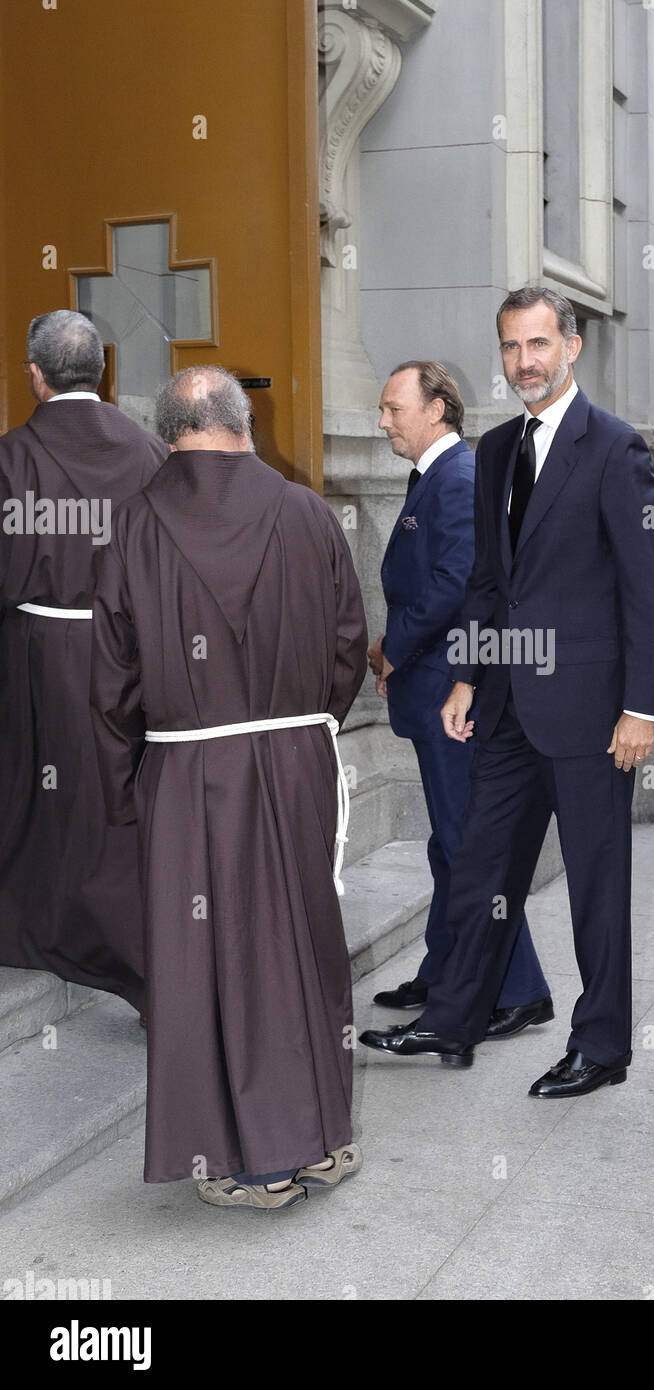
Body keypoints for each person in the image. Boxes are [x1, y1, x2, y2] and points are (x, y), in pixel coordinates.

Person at [360, 286, 654, 1097]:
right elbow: (486, 581)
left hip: (591, 716)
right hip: (504, 706)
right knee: (479, 868)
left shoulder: (615, 448)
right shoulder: (498, 449)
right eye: (510, 347)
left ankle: (602, 1044)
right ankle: (455, 1018)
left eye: (538, 345)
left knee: (596, 886)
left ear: (572, 346)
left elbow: (653, 589)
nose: (524, 363)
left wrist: (643, 707)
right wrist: (467, 674)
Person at [89, 366, 368, 1211]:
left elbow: (110, 680)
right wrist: (298, 729)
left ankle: (259, 1162)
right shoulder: (307, 512)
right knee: (302, 947)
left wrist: (127, 780)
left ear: (165, 431)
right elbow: (349, 643)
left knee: (214, 959)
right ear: (243, 426)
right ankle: (319, 1139)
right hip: (293, 760)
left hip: (188, 768)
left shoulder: (132, 525)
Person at [367, 361, 551, 1033]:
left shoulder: (458, 479)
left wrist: (394, 647)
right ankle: (446, 967)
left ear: (437, 409)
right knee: (451, 845)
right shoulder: (441, 478)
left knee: (467, 846)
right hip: (435, 689)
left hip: (454, 695)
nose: (383, 421)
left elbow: (453, 588)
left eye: (393, 408)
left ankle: (517, 989)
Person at [0, 309, 167, 1012]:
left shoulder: (12, 456)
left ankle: (39, 925)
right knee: (112, 800)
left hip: (39, 650)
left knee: (39, 795)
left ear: (35, 376)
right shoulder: (149, 450)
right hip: (126, 649)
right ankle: (130, 945)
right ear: (100, 370)